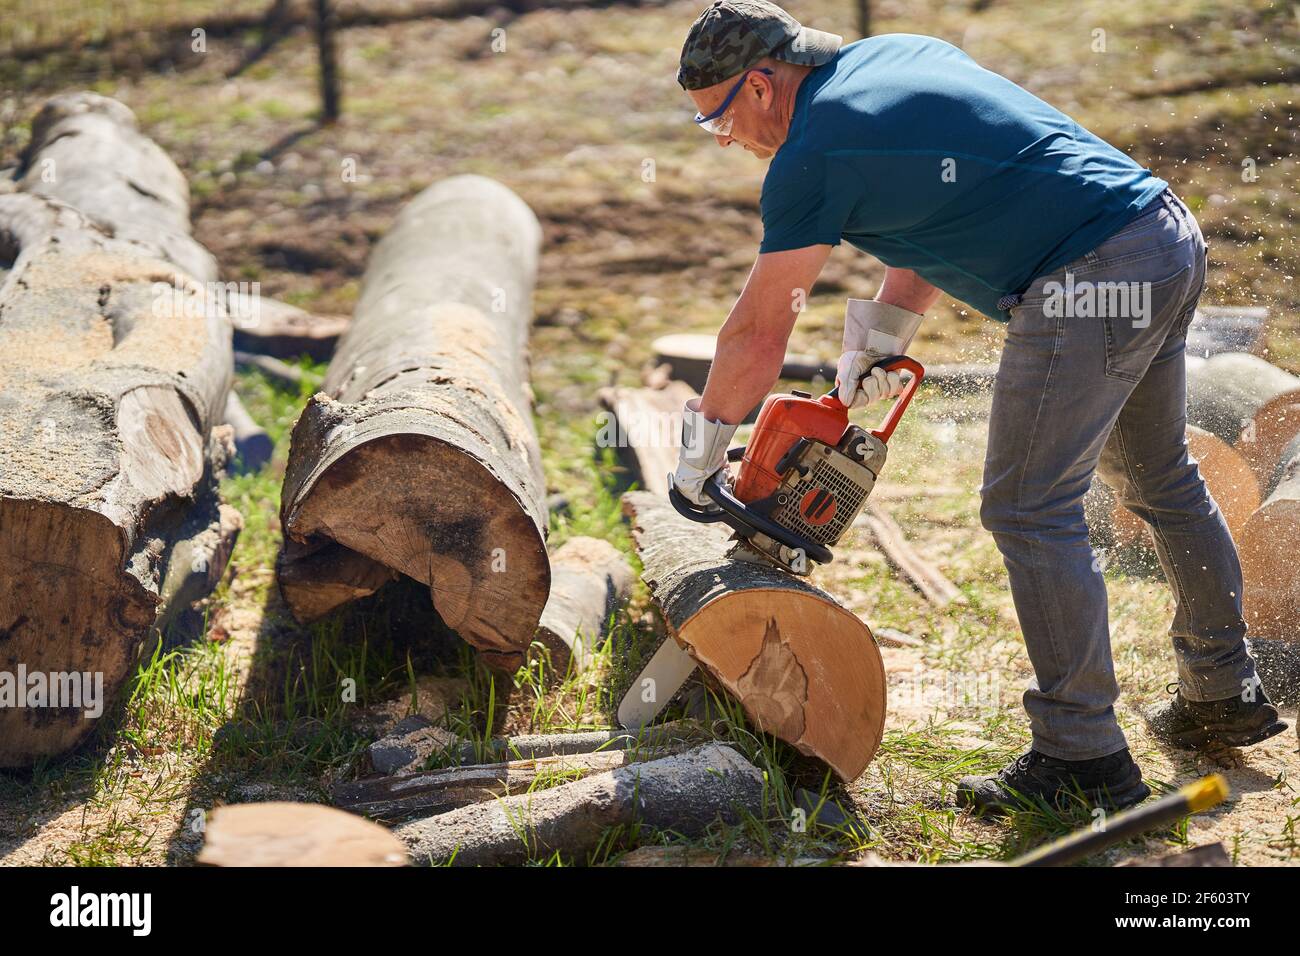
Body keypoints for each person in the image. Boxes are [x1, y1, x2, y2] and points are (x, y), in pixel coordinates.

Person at [669, 0, 1287, 811]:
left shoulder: (811, 152)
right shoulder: (891, 58)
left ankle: (1082, 757)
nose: (726, 140)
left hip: (1088, 277)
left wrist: (703, 452)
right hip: (1160, 236)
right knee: (1160, 477)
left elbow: (757, 329)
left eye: (719, 119)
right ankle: (1223, 688)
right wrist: (879, 347)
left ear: (759, 83)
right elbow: (932, 214)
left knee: (1030, 507)